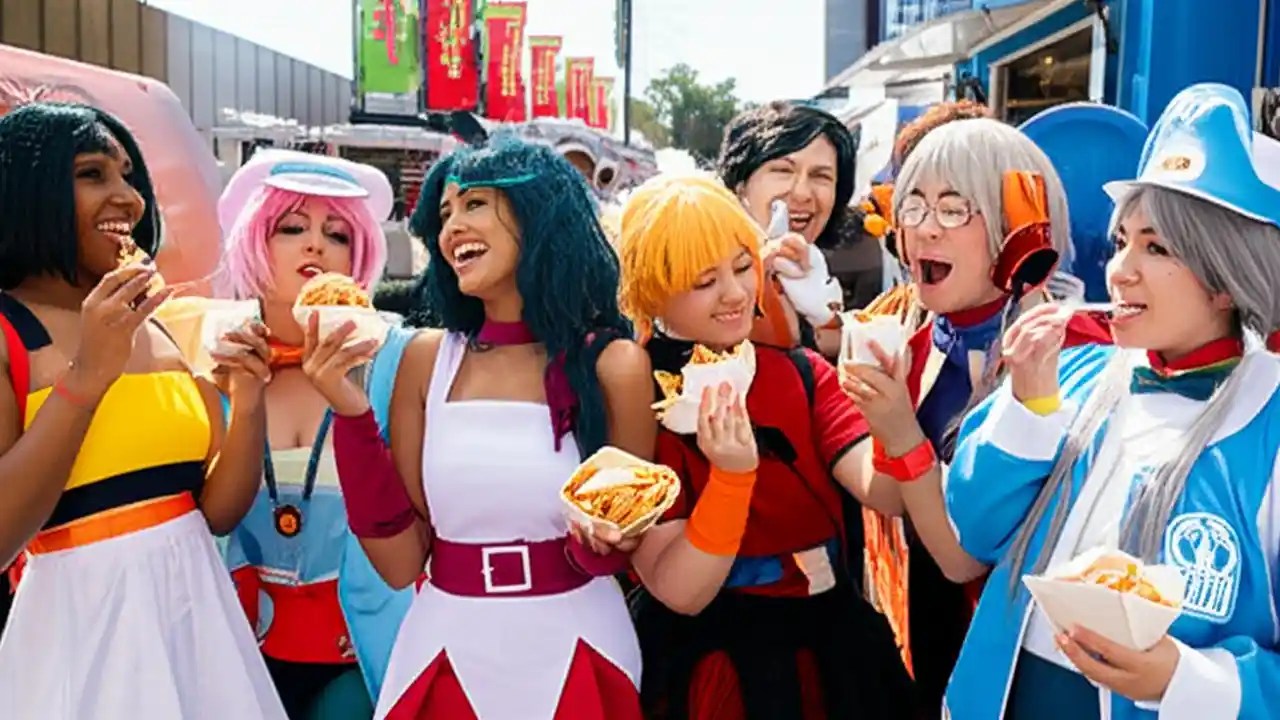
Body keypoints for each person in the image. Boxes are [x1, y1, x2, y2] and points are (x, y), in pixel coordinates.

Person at [943, 83, 1280, 719]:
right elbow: (976, 533)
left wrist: (1184, 679)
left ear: (1228, 278)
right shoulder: (1075, 371)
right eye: (1123, 240)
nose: (1119, 269)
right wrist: (1030, 403)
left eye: (1157, 247)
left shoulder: (1271, 421)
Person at [305, 134, 654, 720]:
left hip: (577, 648)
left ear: (540, 213)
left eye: (474, 205)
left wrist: (603, 543)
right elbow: (399, 562)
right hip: (446, 649)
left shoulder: (614, 365)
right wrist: (351, 414)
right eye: (445, 214)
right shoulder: (425, 360)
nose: (452, 229)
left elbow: (627, 547)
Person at [0, 102, 285, 717]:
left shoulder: (156, 325)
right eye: (92, 173)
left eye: (128, 176)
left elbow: (215, 513)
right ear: (25, 188)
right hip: (84, 647)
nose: (128, 199)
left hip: (201, 635)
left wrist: (248, 399)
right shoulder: (8, 332)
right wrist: (86, 378)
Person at [616, 172, 915, 719]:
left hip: (832, 648)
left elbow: (887, 494)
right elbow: (681, 590)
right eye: (705, 280)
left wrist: (894, 422)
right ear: (652, 292)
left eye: (741, 266)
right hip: (712, 662)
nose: (734, 293)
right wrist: (731, 481)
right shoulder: (642, 400)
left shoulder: (800, 375)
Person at [840, 116, 1110, 712]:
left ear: (1019, 227)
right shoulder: (916, 343)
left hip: (1036, 661)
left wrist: (900, 432)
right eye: (913, 207)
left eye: (954, 208)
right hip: (935, 640)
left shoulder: (1080, 354)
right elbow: (892, 497)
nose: (924, 228)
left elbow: (964, 557)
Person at [214, 148, 411, 719]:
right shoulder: (217, 363)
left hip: (369, 649)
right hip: (241, 652)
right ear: (255, 241)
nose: (315, 246)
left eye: (337, 234)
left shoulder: (393, 360)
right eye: (292, 228)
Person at [717, 102, 859, 356]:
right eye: (783, 170)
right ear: (740, 186)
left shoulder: (817, 276)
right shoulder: (696, 273)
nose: (802, 193)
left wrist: (826, 318)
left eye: (821, 176)